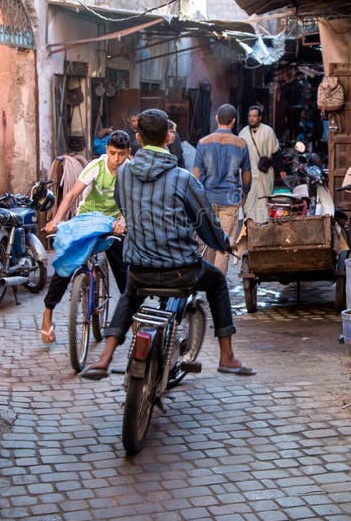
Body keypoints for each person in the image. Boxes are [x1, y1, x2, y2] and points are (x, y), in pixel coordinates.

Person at [81, 108, 256, 379]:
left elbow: (121, 204)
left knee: (129, 295)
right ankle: (227, 356)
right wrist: (223, 244)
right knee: (218, 283)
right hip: (181, 270)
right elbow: (205, 222)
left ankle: (104, 357)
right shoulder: (183, 178)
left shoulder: (124, 175)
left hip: (140, 268)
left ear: (138, 139)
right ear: (168, 138)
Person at [39, 130, 131, 343]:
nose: (116, 159)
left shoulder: (130, 170)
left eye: (121, 154)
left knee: (124, 271)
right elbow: (71, 194)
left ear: (128, 153)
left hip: (114, 223)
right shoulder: (96, 166)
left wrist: (123, 223)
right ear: (107, 150)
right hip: (88, 218)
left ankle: (132, 320)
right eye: (112, 153)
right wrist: (56, 219)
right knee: (66, 260)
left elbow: (133, 201)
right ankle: (47, 315)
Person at [192, 103, 251, 275]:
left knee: (207, 242)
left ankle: (207, 282)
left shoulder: (203, 143)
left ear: (217, 119)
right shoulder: (241, 144)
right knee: (224, 246)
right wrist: (245, 193)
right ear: (234, 121)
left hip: (207, 200)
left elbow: (195, 176)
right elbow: (247, 174)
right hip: (230, 199)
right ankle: (218, 288)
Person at [239, 105, 285, 224]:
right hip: (248, 174)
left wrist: (281, 169)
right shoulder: (242, 133)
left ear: (260, 117)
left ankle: (264, 226)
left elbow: (276, 151)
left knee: (264, 201)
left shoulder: (268, 131)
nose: (252, 119)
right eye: (250, 116)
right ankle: (250, 226)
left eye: (254, 116)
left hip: (265, 173)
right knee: (249, 202)